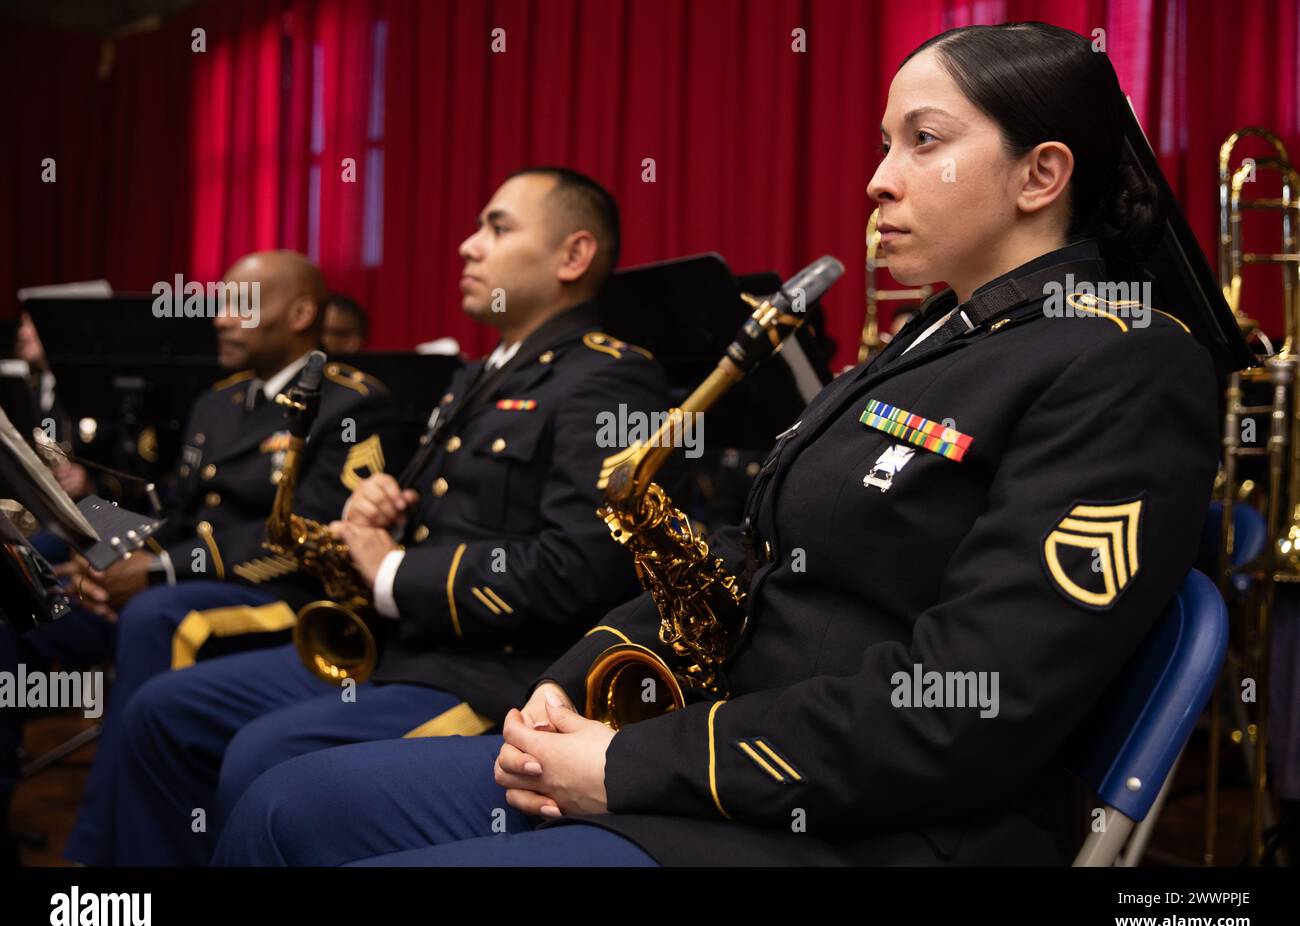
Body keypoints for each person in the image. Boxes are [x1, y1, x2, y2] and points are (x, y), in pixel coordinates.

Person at [215, 22, 1223, 867]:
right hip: (728, 764)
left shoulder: (1121, 362)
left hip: (884, 830)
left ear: (1041, 173)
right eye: (882, 144)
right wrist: (565, 688)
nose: (877, 180)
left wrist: (622, 764)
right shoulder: (937, 337)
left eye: (922, 140)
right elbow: (744, 562)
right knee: (288, 806)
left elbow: (964, 709)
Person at [86, 167, 675, 865]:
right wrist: (382, 511)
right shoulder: (488, 373)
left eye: (498, 227)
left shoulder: (609, 376)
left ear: (573, 257)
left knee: (261, 755)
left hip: (494, 676)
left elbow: (580, 570)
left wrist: (392, 568)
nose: (467, 245)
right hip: (399, 644)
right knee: (163, 713)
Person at [60, 249, 401, 865]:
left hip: (289, 596)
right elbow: (180, 510)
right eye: (220, 303)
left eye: (241, 305)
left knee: (159, 613)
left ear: (300, 313)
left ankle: (114, 857)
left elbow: (308, 531)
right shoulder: (218, 401)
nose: (220, 318)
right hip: (203, 579)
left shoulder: (351, 403)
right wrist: (112, 553)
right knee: (41, 573)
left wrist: (161, 568)